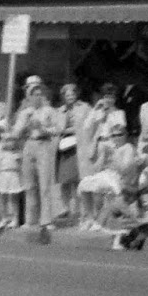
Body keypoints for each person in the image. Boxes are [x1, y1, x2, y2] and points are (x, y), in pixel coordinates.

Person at [11, 81, 63, 236]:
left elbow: (57, 129)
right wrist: (25, 124)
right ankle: (29, 219)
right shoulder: (25, 112)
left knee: (44, 184)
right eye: (34, 94)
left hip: (43, 144)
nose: (37, 97)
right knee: (29, 184)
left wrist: (43, 128)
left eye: (40, 94)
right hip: (29, 145)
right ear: (29, 96)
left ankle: (46, 220)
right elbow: (15, 133)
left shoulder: (49, 111)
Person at [55, 82, 89, 223]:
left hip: (79, 146)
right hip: (64, 147)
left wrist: (71, 130)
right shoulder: (60, 111)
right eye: (67, 94)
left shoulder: (85, 107)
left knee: (77, 180)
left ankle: (79, 210)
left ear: (77, 95)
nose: (70, 97)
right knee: (65, 180)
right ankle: (65, 208)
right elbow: (57, 128)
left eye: (72, 94)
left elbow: (87, 125)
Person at [0, 132, 24, 229]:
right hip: (3, 175)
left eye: (12, 141)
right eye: (7, 141)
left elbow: (20, 166)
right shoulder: (1, 153)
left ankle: (15, 218)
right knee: (3, 197)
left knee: (14, 198)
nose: (10, 143)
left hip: (13, 175)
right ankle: (4, 217)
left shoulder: (17, 154)